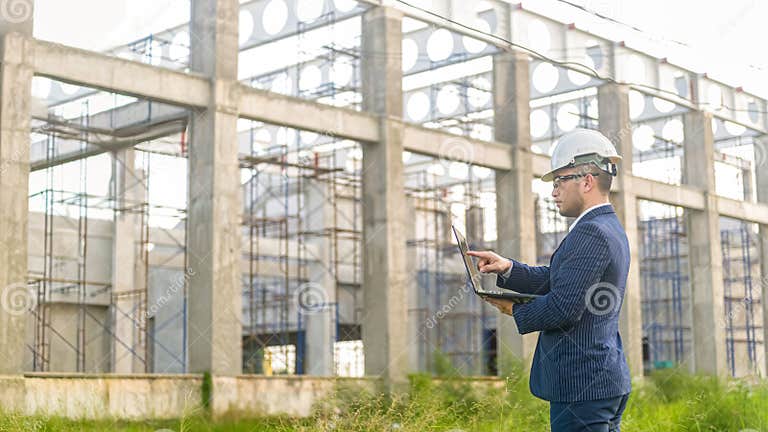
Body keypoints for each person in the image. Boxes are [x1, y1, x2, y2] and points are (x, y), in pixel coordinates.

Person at [468, 128, 632, 432]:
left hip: (582, 385)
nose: (553, 191)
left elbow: (564, 307)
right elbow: (561, 281)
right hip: (596, 382)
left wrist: (513, 310)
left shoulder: (591, 232)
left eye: (559, 181)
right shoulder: (607, 227)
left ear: (586, 181)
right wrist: (508, 269)